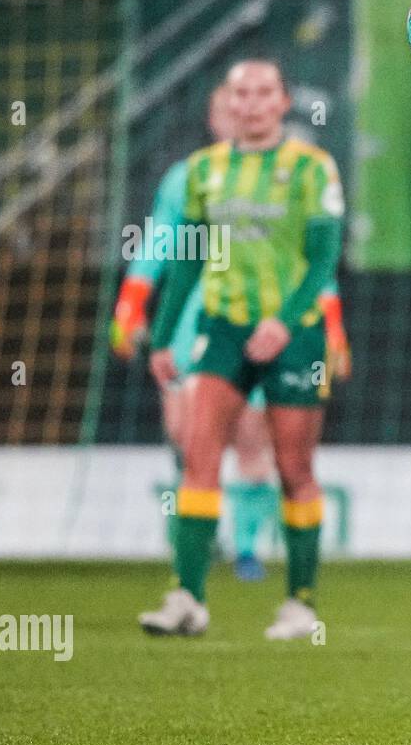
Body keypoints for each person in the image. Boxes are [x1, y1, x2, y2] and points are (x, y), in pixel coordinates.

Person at [137, 59, 344, 640]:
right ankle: (187, 598)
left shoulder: (312, 168)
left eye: (263, 93)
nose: (251, 103)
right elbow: (186, 259)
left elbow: (324, 260)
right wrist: (162, 333)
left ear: (282, 102)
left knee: (294, 467)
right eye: (241, 94)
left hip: (295, 333)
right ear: (228, 104)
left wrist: (283, 321)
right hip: (222, 329)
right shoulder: (204, 170)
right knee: (199, 457)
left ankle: (301, 603)